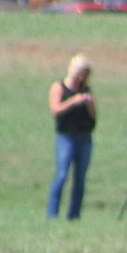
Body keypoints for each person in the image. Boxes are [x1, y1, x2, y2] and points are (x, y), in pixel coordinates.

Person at [46, 54, 95, 221]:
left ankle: (74, 215)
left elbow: (94, 116)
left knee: (80, 178)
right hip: (66, 137)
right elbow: (55, 109)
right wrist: (73, 102)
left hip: (84, 137)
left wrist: (88, 103)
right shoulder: (59, 87)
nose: (83, 76)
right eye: (81, 72)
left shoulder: (86, 90)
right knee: (62, 175)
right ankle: (52, 213)